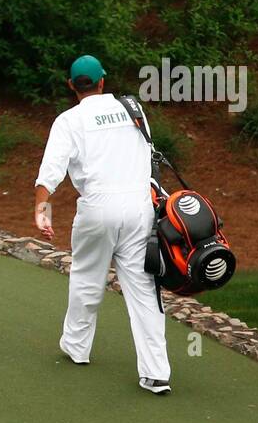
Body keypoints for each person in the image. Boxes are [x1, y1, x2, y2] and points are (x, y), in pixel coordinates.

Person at [34, 55, 172, 394]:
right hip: (140, 207)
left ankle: (77, 347)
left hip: (98, 207)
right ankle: (156, 373)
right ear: (102, 81)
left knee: (87, 278)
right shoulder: (133, 110)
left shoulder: (68, 121)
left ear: (71, 85)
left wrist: (41, 210)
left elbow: (51, 172)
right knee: (144, 289)